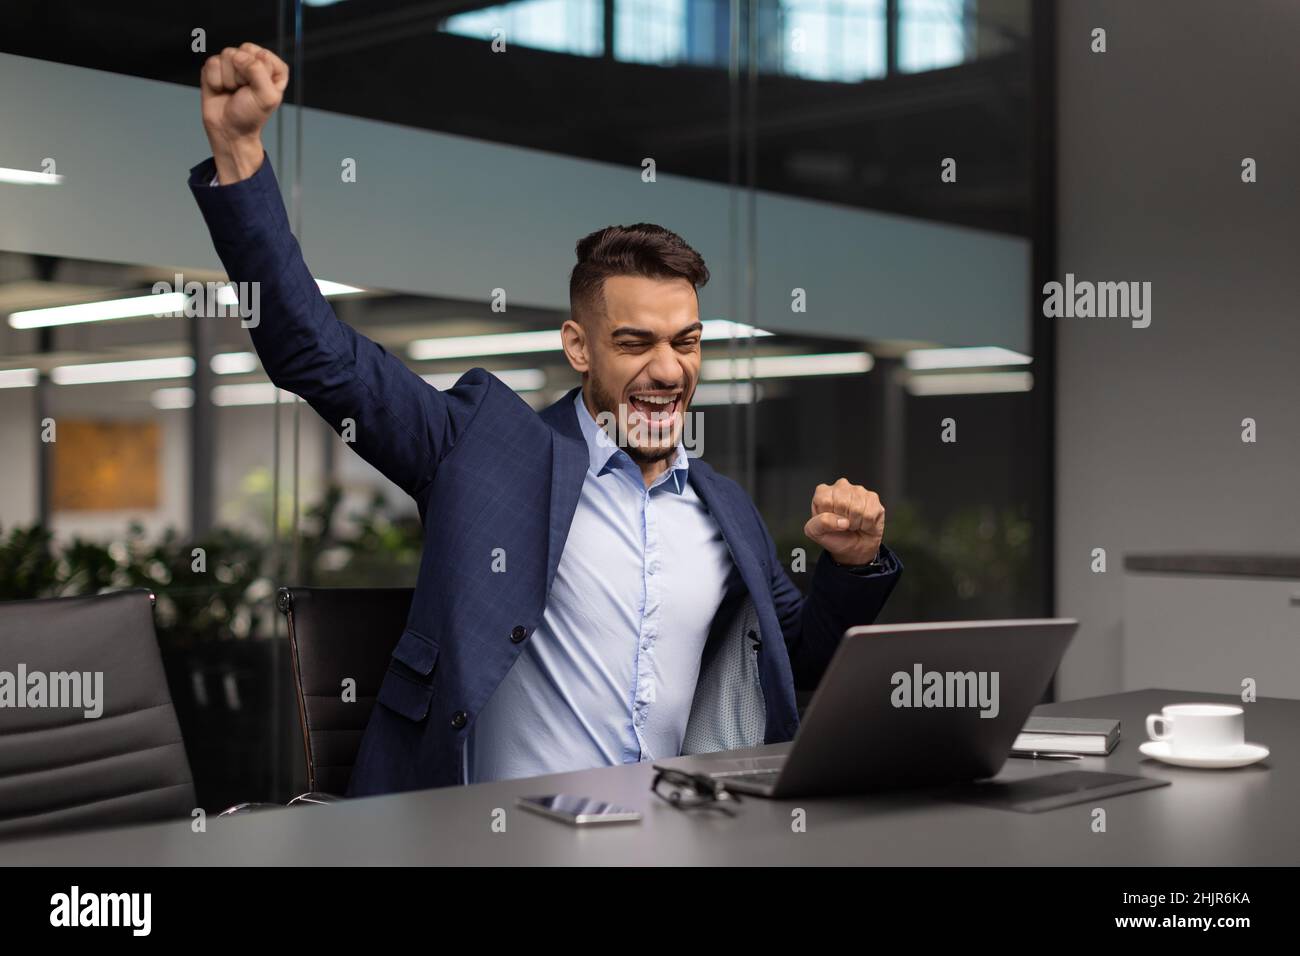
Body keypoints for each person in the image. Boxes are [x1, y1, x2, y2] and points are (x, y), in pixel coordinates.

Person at [190, 43, 901, 795]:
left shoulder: (723, 510)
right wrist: (238, 154)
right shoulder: (484, 451)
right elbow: (317, 356)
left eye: (686, 343)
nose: (668, 370)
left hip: (679, 834)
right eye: (636, 343)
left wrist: (853, 567)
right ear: (579, 347)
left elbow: (797, 664)